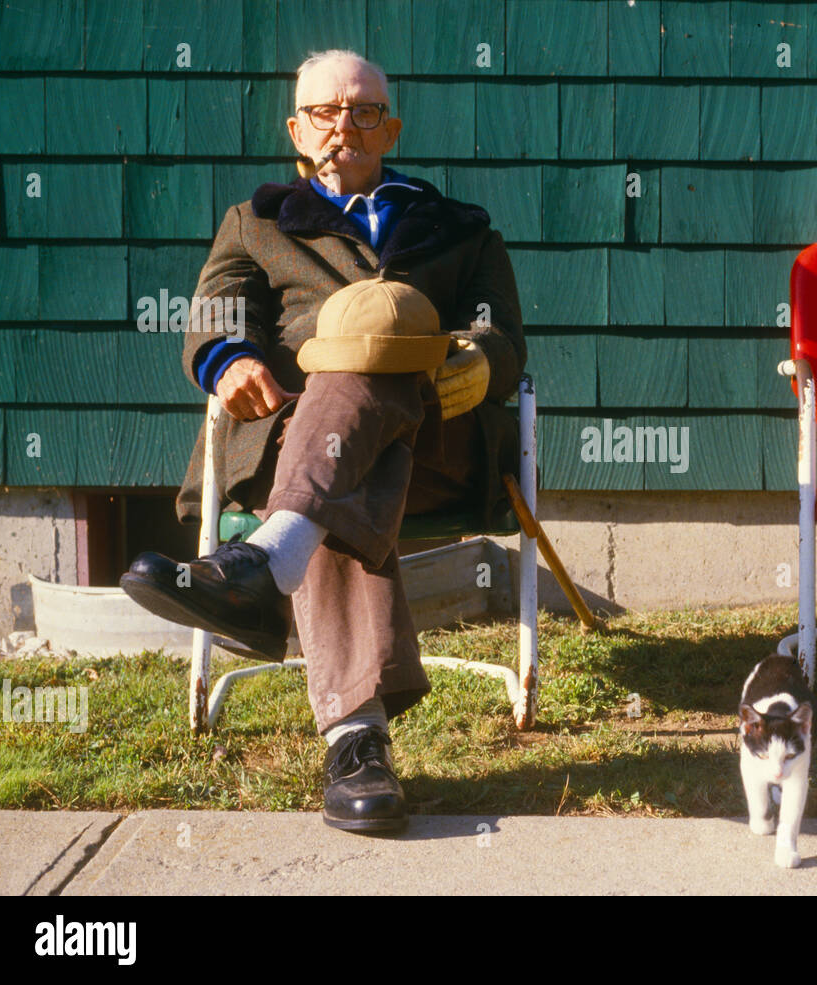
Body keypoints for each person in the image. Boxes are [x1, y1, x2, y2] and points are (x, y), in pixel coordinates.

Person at [120, 49, 526, 833]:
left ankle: (263, 567)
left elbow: (500, 328)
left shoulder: (460, 229)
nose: (345, 126)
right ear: (297, 132)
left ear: (391, 128)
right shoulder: (256, 223)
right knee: (332, 480)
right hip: (293, 449)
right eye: (325, 112)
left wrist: (482, 360)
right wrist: (229, 359)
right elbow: (216, 315)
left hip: (435, 441)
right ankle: (357, 739)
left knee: (376, 346)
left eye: (364, 110)